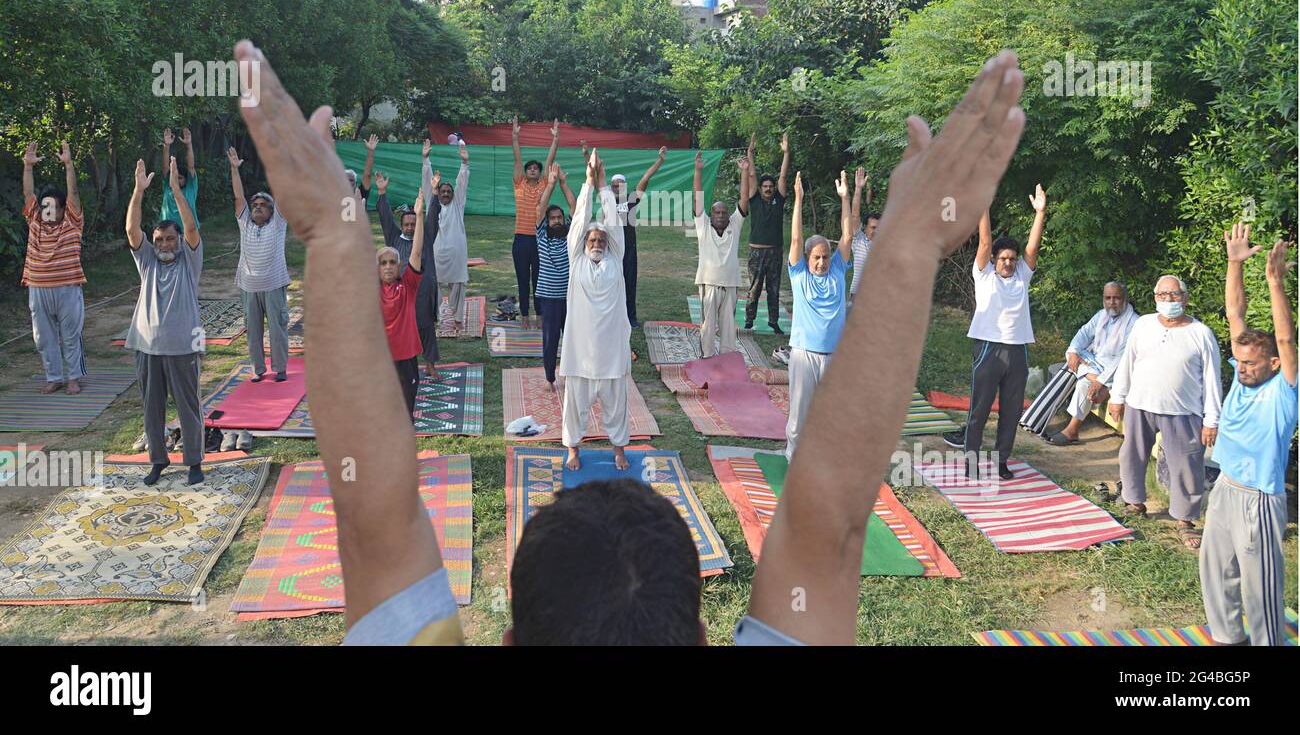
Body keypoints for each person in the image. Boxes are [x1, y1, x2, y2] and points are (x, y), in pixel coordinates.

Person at [232, 39, 1025, 646]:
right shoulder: (579, 244)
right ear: (707, 636)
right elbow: (831, 522)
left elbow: (373, 517)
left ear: (507, 641)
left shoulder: (607, 246)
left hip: (610, 343)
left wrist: (330, 238)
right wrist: (912, 247)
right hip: (585, 343)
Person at [1200, 225, 1297, 645]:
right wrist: (1234, 264)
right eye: (1238, 361)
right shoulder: (1243, 377)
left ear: (1274, 364)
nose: (1241, 368)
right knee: (1215, 570)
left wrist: (1274, 283)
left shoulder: (1284, 390)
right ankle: (1227, 639)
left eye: (1251, 363)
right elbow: (1235, 314)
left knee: (1259, 591)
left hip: (1259, 498)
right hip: (1225, 486)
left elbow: (1285, 336)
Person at [1108, 273, 1223, 548]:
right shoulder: (1143, 325)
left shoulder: (1201, 333)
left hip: (1183, 411)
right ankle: (1135, 503)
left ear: (1185, 298)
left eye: (1174, 295)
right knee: (1131, 456)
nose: (1168, 300)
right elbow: (1127, 362)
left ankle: (1185, 520)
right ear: (1155, 299)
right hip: (1140, 404)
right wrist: (1117, 396)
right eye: (1162, 295)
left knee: (1186, 466)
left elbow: (1212, 379)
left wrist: (1212, 419)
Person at [942, 189, 1047, 480]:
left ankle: (1001, 461)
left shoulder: (1022, 277)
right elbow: (985, 241)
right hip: (988, 349)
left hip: (1017, 351)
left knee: (1011, 412)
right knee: (980, 408)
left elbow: (1033, 248)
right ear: (994, 259)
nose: (1008, 263)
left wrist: (1040, 213)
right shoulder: (984, 274)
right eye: (1003, 258)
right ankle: (971, 461)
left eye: (1012, 259)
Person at [125, 156, 205, 486]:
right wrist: (138, 191)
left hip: (183, 345)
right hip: (146, 345)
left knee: (188, 406)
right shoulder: (148, 261)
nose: (164, 244)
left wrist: (175, 189)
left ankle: (194, 462)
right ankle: (157, 460)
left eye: (169, 239)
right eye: (159, 240)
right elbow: (132, 229)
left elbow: (190, 227)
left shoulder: (189, 259)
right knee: (151, 407)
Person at [558, 150, 633, 472]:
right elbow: (578, 223)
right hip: (580, 353)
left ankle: (619, 450)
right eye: (592, 238)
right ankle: (573, 449)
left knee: (617, 406)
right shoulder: (576, 262)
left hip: (613, 351)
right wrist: (588, 184)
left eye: (601, 238)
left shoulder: (616, 258)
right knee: (575, 408)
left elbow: (614, 224)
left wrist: (603, 184)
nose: (597, 241)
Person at [783, 169, 852, 459]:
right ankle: (794, 456)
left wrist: (846, 198)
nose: (822, 261)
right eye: (817, 257)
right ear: (807, 258)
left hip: (834, 355)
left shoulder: (838, 270)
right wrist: (797, 199)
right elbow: (797, 240)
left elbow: (847, 236)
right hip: (804, 354)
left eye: (825, 256)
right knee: (800, 411)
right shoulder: (799, 274)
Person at [1025, 282, 1137, 443]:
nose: (1111, 302)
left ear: (1125, 299)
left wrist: (1099, 382)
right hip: (1096, 365)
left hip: (1120, 370)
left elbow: (1123, 360)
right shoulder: (1101, 315)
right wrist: (1073, 352)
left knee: (1085, 384)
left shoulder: (1134, 322)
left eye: (1116, 298)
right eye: (1107, 298)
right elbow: (1083, 334)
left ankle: (1072, 430)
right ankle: (1035, 418)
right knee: (1072, 361)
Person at [20, 140, 87, 395]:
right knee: (44, 338)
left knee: (71, 335)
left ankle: (73, 378)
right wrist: (28, 167)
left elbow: (74, 195)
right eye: (44, 206)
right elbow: (28, 195)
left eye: (52, 206)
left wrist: (69, 165)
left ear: (62, 209)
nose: (47, 210)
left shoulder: (71, 223)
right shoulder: (35, 221)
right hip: (38, 288)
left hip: (67, 288)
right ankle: (54, 377)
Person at [375, 139, 441, 374]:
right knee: (398, 328)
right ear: (401, 224)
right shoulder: (394, 237)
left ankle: (430, 364)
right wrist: (382, 192)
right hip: (397, 294)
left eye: (414, 224)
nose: (411, 228)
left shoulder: (426, 237)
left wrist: (433, 193)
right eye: (407, 224)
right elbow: (384, 217)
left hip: (421, 289)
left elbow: (431, 217)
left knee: (425, 326)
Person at [227, 147, 291, 389]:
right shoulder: (244, 221)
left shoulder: (278, 223)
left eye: (264, 204)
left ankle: (280, 369)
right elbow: (238, 197)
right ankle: (258, 369)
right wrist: (235, 169)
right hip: (249, 286)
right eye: (256, 203)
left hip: (274, 284)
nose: (257, 206)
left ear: (272, 211)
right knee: (253, 330)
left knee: (277, 328)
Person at [693, 152, 750, 357]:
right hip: (708, 284)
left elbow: (744, 199)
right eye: (716, 212)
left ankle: (726, 359)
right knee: (707, 326)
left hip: (731, 284)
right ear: (711, 214)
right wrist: (698, 171)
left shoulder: (734, 225)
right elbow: (697, 198)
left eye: (723, 212)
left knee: (728, 328)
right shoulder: (703, 226)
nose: (720, 215)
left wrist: (744, 172)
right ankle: (707, 358)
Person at [378, 190, 428, 418]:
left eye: (392, 263)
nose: (388, 267)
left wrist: (419, 217)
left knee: (407, 402)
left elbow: (416, 252)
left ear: (399, 266)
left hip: (406, 354)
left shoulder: (408, 285)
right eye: (383, 263)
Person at [511, 118, 560, 329]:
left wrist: (555, 139)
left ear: (540, 173)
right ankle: (524, 316)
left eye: (535, 169)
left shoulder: (543, 186)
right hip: (521, 239)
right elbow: (516, 159)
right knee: (523, 279)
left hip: (540, 239)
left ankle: (539, 316)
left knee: (539, 280)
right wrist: (515, 136)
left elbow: (550, 161)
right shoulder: (519, 184)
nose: (532, 170)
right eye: (529, 168)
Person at [610, 146, 665, 328]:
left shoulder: (631, 200)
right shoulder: (606, 200)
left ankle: (630, 317)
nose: (617, 187)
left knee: (629, 283)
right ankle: (612, 316)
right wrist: (587, 156)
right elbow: (594, 179)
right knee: (610, 284)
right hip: (611, 249)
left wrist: (659, 161)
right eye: (614, 185)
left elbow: (645, 179)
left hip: (629, 248)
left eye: (620, 184)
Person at [743, 131, 790, 335]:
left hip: (775, 252)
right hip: (757, 252)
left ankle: (773, 322)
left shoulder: (779, 200)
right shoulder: (754, 199)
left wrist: (786, 153)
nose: (769, 189)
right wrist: (750, 153)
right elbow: (752, 175)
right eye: (766, 187)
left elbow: (783, 175)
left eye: (771, 187)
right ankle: (749, 320)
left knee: (773, 289)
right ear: (760, 188)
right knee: (754, 289)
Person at [535, 163, 576, 388]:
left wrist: (563, 184)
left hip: (570, 297)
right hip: (549, 299)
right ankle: (550, 378)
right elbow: (540, 208)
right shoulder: (541, 236)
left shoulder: (570, 236)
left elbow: (575, 206)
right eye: (553, 218)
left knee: (571, 339)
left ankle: (571, 374)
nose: (557, 220)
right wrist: (550, 185)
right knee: (550, 340)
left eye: (559, 217)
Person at [433, 142, 470, 333]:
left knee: (459, 285)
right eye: (443, 191)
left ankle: (457, 319)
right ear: (438, 194)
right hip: (437, 254)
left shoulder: (457, 206)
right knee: (434, 286)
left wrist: (464, 164)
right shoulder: (434, 208)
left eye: (449, 191)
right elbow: (427, 183)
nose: (446, 193)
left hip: (456, 255)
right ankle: (435, 317)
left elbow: (462, 184)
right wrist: (425, 162)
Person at [848, 168, 878, 305]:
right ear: (864, 227)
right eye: (873, 228)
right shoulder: (859, 239)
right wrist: (859, 189)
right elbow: (854, 215)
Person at [160, 127, 200, 229]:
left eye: (180, 178)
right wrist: (166, 145)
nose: (176, 180)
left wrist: (189, 145)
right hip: (167, 233)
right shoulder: (168, 188)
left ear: (186, 180)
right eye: (175, 177)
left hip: (188, 233)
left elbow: (191, 166)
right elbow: (165, 167)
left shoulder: (191, 188)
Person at [349, 132, 379, 201]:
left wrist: (371, 151)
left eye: (351, 180)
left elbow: (367, 175)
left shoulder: (360, 193)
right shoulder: (337, 195)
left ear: (355, 182)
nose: (349, 182)